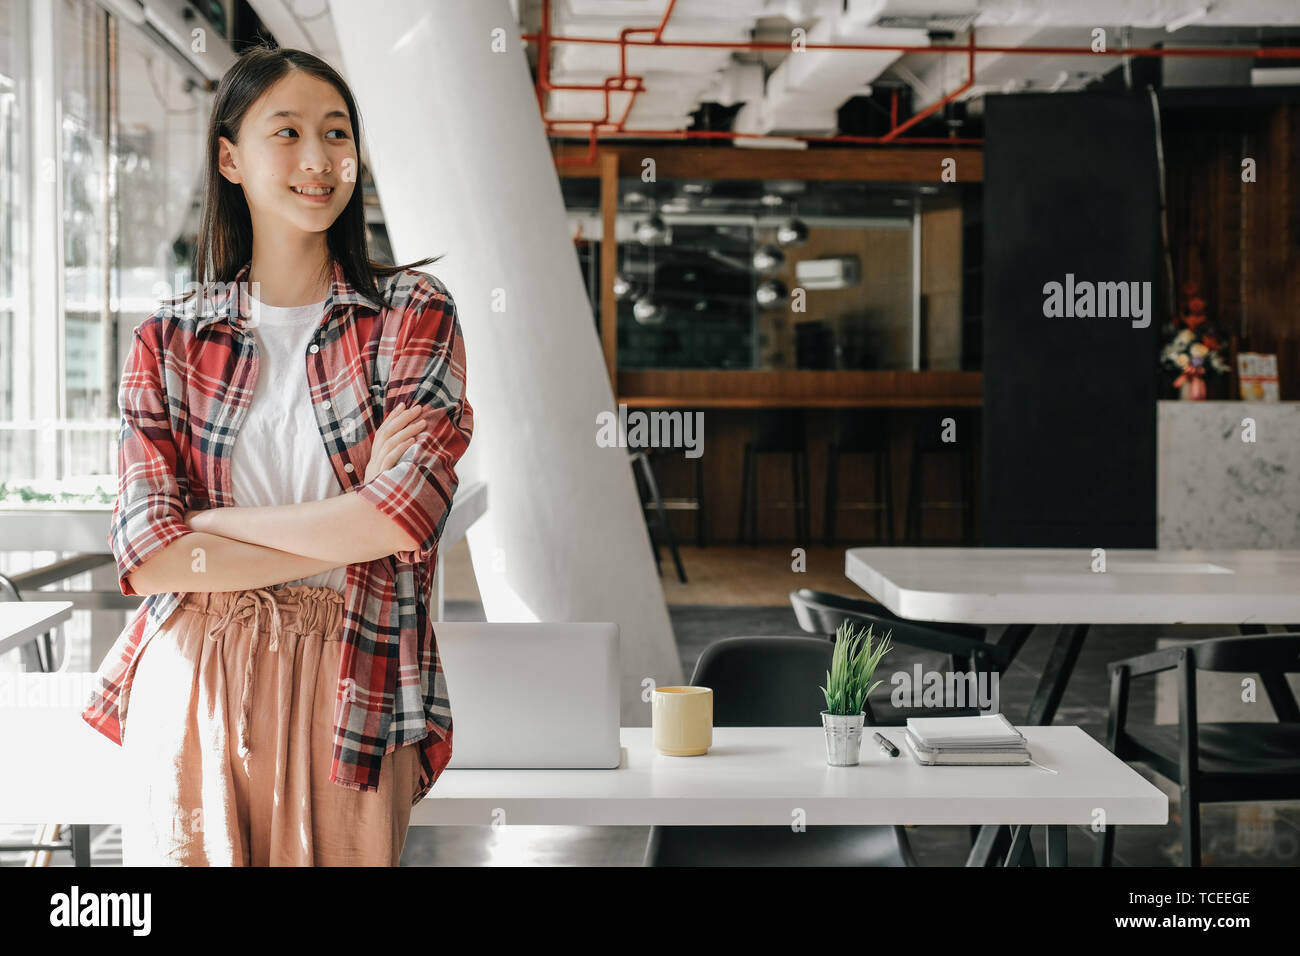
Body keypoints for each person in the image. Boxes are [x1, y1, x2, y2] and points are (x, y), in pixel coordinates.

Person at [80, 42, 474, 866]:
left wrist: (213, 522)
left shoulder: (412, 314)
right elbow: (151, 558)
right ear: (230, 157)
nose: (318, 159)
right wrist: (349, 513)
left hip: (353, 676)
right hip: (192, 676)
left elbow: (400, 520)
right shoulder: (171, 337)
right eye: (286, 133)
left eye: (337, 133)